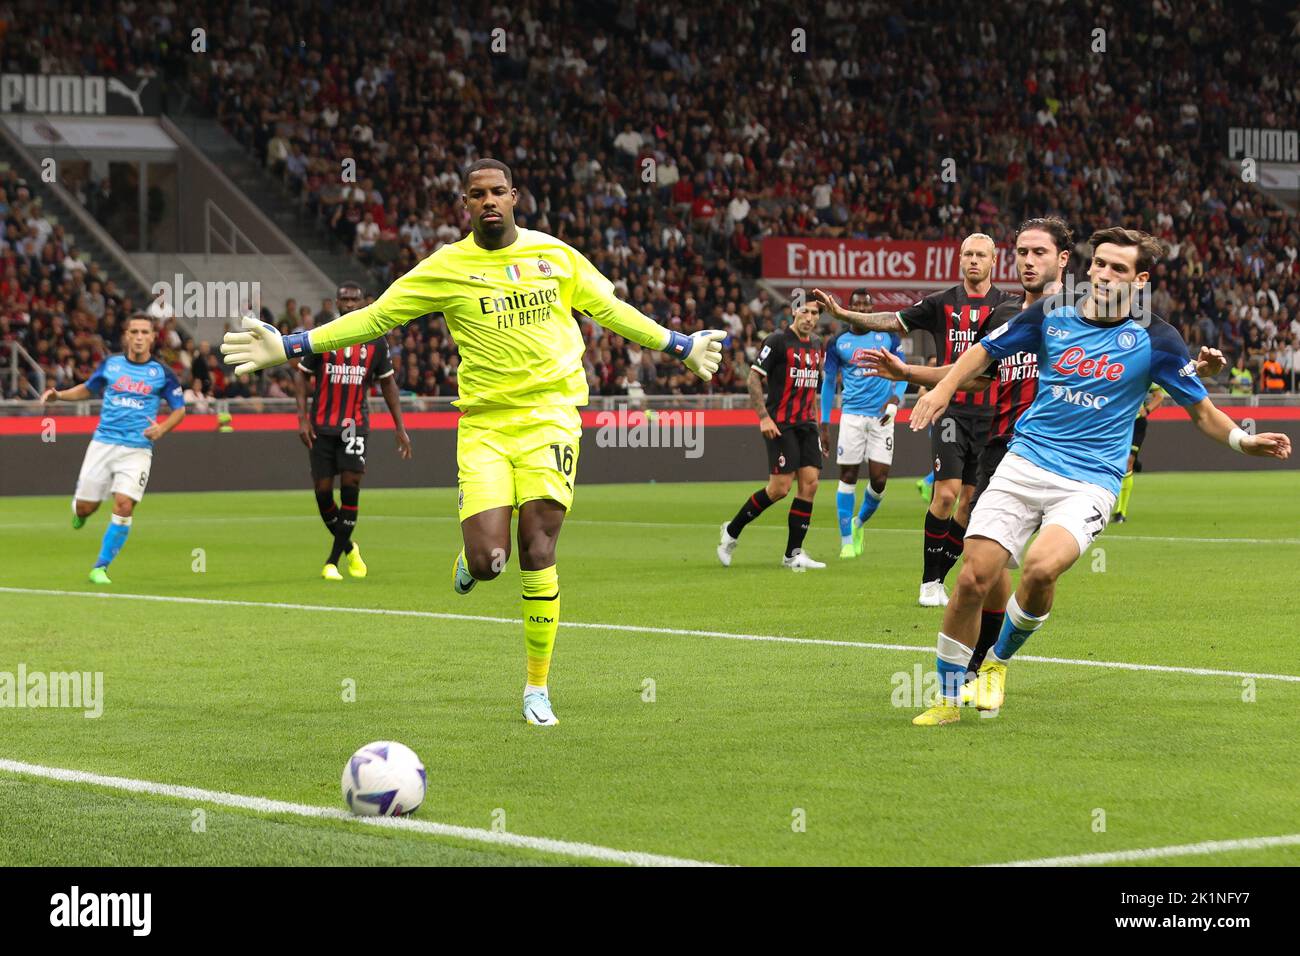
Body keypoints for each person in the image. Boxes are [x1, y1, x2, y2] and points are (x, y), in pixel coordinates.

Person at [221, 158, 723, 727]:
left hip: (551, 416)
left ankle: (537, 688)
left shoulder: (554, 256)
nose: (489, 201)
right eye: (477, 194)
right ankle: (472, 558)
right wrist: (292, 345)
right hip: (483, 425)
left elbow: (608, 309)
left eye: (499, 192)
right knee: (490, 563)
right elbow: (376, 318)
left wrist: (678, 344)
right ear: (465, 204)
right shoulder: (445, 267)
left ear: (515, 197)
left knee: (538, 546)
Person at [907, 226, 1290, 726]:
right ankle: (947, 698)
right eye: (1099, 264)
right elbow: (983, 352)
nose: (1104, 275)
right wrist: (942, 390)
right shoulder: (1050, 313)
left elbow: (1201, 410)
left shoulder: (1158, 338)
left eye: (1119, 268)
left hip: (1090, 479)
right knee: (973, 579)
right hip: (1025, 461)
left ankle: (996, 665)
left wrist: (1244, 440)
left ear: (1140, 279)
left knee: (1042, 568)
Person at [815, 233, 1017, 606]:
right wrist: (846, 316)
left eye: (981, 255)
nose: (974, 260)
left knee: (970, 505)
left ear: (993, 262)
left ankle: (939, 578)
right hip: (951, 409)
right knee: (945, 493)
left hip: (994, 417)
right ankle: (928, 583)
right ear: (960, 259)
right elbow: (892, 320)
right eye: (968, 254)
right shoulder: (943, 303)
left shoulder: (1009, 306)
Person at [41, 314, 186, 584]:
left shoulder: (162, 374)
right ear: (126, 336)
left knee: (124, 504)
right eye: (135, 332)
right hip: (103, 444)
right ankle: (79, 512)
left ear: (153, 337)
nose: (140, 337)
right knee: (86, 508)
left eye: (145, 332)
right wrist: (58, 394)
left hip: (137, 449)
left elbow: (180, 410)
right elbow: (87, 389)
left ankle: (100, 567)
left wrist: (163, 428)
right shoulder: (111, 364)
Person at [295, 282, 412, 580]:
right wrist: (302, 418)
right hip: (321, 425)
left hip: (354, 426)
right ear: (336, 302)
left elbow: (388, 384)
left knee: (350, 487)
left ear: (362, 302)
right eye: (343, 299)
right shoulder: (322, 336)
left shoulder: (375, 341)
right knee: (322, 494)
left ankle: (332, 561)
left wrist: (399, 426)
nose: (348, 303)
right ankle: (350, 549)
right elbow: (302, 377)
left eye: (353, 299)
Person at [717, 299, 827, 571]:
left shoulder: (816, 345)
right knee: (779, 488)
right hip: (781, 423)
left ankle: (793, 554)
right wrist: (763, 417)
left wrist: (820, 425)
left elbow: (814, 389)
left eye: (815, 313)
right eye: (805, 311)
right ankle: (731, 530)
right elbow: (754, 378)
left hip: (807, 424)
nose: (810, 318)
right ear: (794, 311)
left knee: (810, 484)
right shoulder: (777, 341)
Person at [819, 287, 906, 559]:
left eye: (867, 306)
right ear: (849, 309)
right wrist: (824, 423)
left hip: (882, 417)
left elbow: (903, 372)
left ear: (871, 308)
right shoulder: (837, 343)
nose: (863, 310)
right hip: (852, 416)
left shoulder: (887, 337)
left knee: (879, 481)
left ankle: (858, 524)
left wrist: (895, 398)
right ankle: (846, 540)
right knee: (848, 477)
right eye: (857, 305)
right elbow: (829, 383)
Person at [1112, 384, 1165, 523]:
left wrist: (1147, 410)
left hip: (1136, 423)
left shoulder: (1142, 369)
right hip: (1117, 423)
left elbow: (1159, 396)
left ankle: (1121, 512)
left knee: (1128, 463)